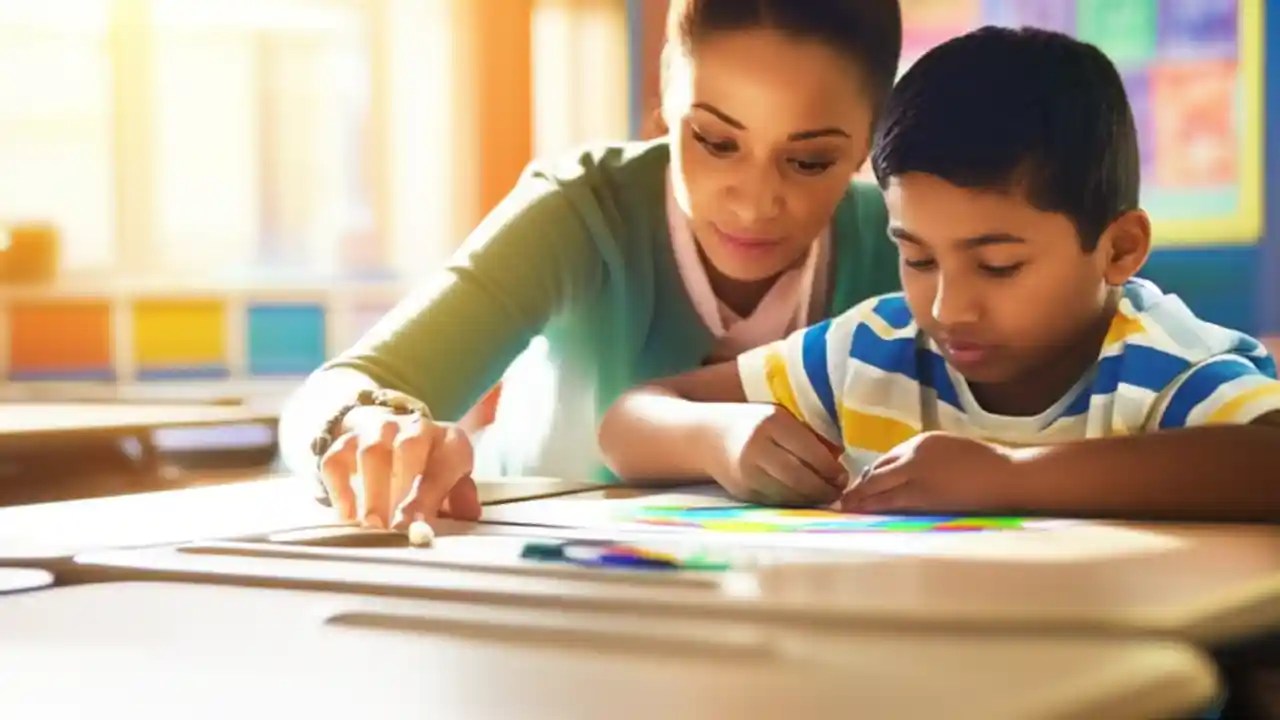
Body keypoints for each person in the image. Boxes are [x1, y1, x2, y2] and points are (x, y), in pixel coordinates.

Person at [598, 26, 1280, 521]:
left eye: (998, 265)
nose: (949, 307)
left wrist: (1012, 477)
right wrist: (722, 438)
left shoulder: (1160, 365)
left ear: (1119, 249)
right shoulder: (873, 350)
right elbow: (631, 419)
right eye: (918, 257)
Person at [278, 0, 905, 529]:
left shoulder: (904, 247)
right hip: (540, 597)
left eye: (810, 160)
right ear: (665, 84)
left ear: (869, 139)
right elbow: (339, 387)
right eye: (715, 141)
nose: (754, 200)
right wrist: (365, 426)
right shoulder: (582, 211)